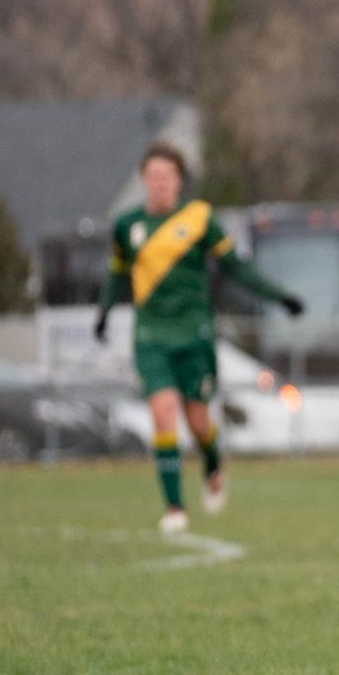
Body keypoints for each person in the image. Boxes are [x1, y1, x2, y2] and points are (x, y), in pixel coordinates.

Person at [96, 143, 305, 533]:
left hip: (194, 338)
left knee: (198, 421)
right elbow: (116, 275)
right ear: (144, 180)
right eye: (153, 177)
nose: (159, 183)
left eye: (167, 176)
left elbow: (236, 268)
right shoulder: (127, 226)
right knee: (163, 412)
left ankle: (213, 464)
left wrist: (280, 297)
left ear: (178, 180)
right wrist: (104, 313)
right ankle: (175, 508)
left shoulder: (199, 218)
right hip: (151, 336)